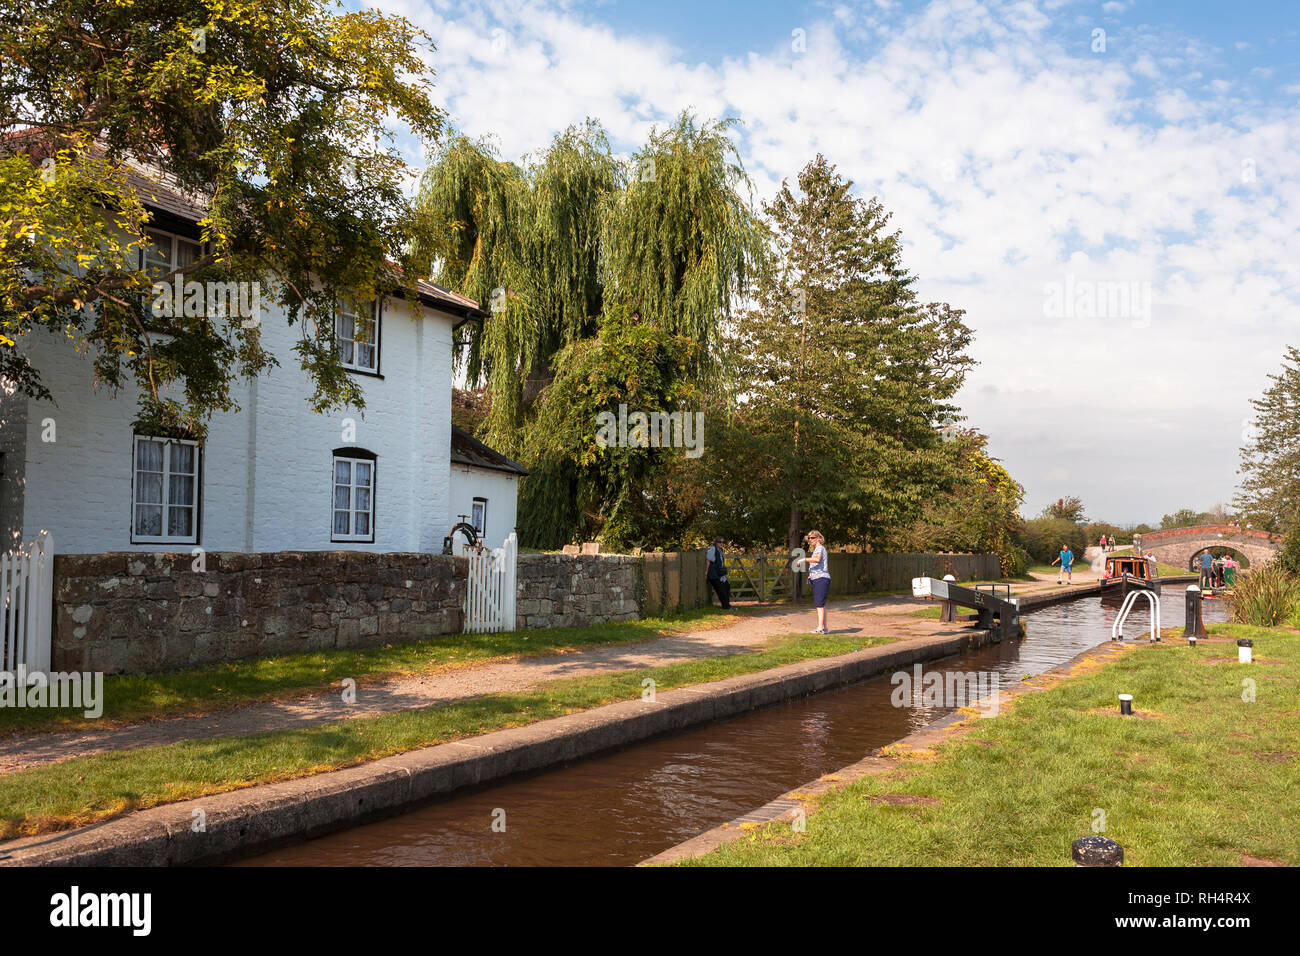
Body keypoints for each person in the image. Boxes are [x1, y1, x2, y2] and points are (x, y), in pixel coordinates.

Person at [795, 530, 831, 633]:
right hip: (818, 578)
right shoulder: (817, 549)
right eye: (809, 538)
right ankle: (824, 628)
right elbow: (817, 563)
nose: (810, 540)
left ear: (818, 538)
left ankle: (820, 628)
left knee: (819, 605)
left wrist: (804, 559)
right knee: (821, 605)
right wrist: (811, 576)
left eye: (812, 538)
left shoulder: (819, 548)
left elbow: (817, 560)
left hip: (821, 578)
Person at [705, 536, 732, 609]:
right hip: (713, 574)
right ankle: (726, 606)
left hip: (719, 574)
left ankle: (727, 605)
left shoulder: (720, 550)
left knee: (727, 587)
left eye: (723, 542)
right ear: (716, 542)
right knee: (721, 590)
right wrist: (706, 571)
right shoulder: (713, 549)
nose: (721, 543)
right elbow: (708, 560)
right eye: (720, 542)